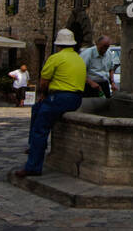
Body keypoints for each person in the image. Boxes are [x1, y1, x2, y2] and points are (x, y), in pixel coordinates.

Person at [15, 29, 87, 178]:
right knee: (36, 108)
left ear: (58, 45)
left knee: (40, 129)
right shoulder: (79, 59)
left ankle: (33, 165)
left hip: (59, 98)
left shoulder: (55, 58)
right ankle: (32, 145)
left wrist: (43, 94)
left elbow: (43, 82)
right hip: (76, 99)